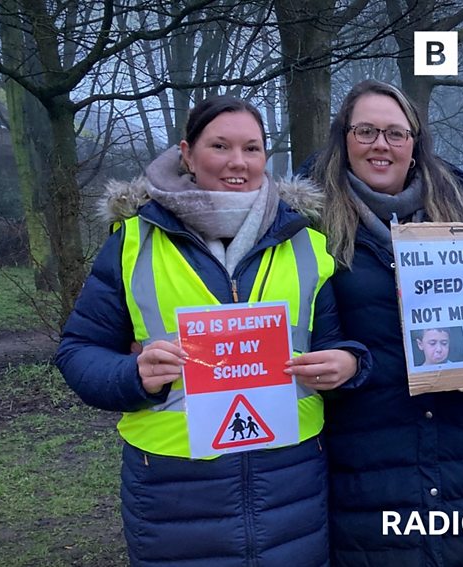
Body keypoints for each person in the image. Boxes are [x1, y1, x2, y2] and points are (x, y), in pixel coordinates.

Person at [55, 95, 370, 566]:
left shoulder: (306, 243)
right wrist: (133, 375)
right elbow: (78, 351)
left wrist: (348, 363)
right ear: (187, 153)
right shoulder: (134, 243)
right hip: (173, 494)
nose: (237, 163)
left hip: (289, 489)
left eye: (252, 148)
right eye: (219, 146)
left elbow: (334, 343)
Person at [308, 79, 463, 567]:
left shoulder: (460, 214)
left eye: (395, 133)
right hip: (366, 467)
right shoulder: (311, 225)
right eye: (365, 131)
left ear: (415, 144)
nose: (381, 144)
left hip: (459, 460)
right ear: (343, 139)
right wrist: (341, 360)